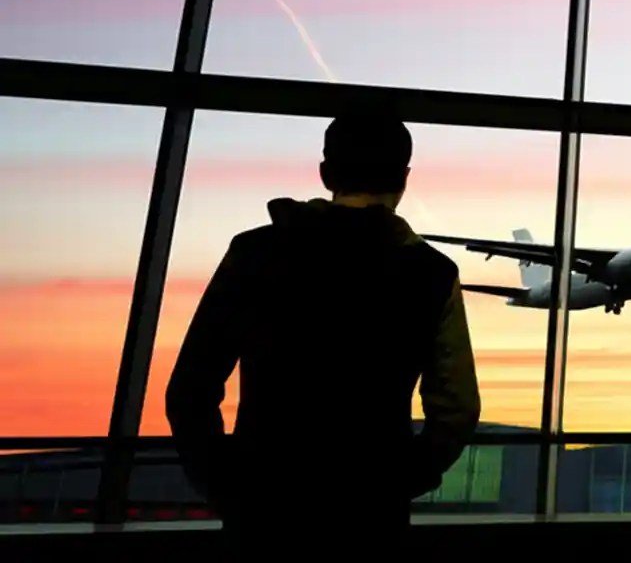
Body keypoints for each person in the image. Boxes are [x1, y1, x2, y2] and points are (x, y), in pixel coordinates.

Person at [165, 113, 481, 552]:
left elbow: (190, 388)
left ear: (326, 173)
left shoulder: (254, 253)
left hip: (264, 505)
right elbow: (457, 407)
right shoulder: (433, 273)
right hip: (371, 512)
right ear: (404, 178)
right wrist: (406, 476)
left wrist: (223, 480)